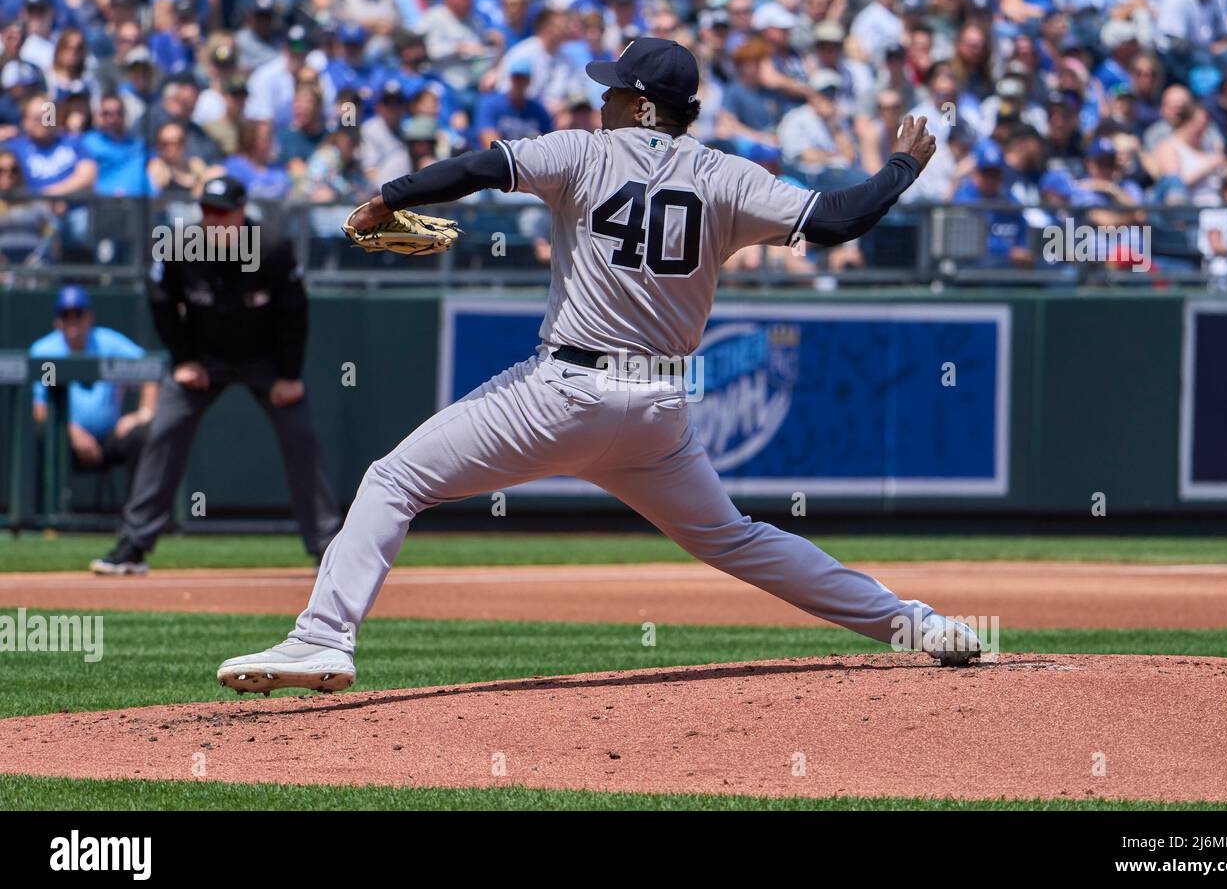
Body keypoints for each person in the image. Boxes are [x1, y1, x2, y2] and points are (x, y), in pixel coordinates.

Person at [216, 37, 979, 694]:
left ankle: (325, 635)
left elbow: (478, 168)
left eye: (614, 88)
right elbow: (843, 219)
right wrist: (905, 166)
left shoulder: (580, 151)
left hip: (565, 392)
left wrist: (389, 197)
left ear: (642, 104)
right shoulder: (728, 175)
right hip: (656, 409)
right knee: (737, 539)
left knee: (394, 480)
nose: (603, 98)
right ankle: (917, 624)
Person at [92, 175, 341, 575]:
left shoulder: (273, 247)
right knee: (164, 431)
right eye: (207, 210)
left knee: (302, 437)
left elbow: (294, 313)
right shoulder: (180, 245)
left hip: (266, 361)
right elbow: (158, 297)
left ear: (243, 211)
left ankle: (329, 548)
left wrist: (290, 375)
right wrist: (184, 359)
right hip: (204, 359)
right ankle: (134, 544)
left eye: (222, 211)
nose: (214, 218)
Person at [30, 286, 157, 495]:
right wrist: (72, 432)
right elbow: (40, 407)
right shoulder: (45, 352)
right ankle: (47, 518)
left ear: (89, 317)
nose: (72, 321)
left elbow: (151, 369)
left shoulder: (108, 342)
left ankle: (138, 517)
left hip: (110, 436)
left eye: (78, 314)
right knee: (42, 434)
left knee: (142, 435)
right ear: (56, 321)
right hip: (65, 438)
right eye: (65, 314)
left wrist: (143, 414)